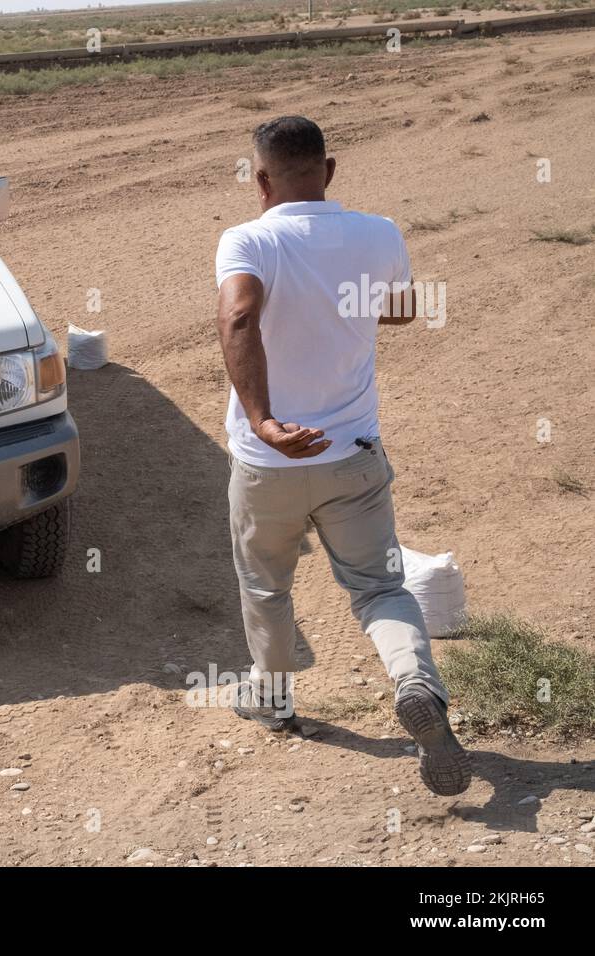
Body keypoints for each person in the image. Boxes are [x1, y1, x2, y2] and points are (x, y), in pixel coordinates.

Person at [213, 115, 470, 796]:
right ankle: (416, 684)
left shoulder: (247, 240)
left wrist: (266, 422)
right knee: (380, 587)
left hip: (268, 464)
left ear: (261, 180)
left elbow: (239, 317)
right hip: (352, 455)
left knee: (267, 587)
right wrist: (338, 302)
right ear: (329, 171)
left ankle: (273, 699)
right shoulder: (378, 232)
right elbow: (402, 310)